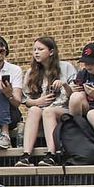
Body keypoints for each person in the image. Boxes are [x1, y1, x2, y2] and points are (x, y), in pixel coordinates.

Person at [19, 35, 69, 163]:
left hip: (62, 110)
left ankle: (52, 154)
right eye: (34, 49)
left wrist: (64, 84)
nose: (36, 52)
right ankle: (26, 155)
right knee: (33, 110)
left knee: (48, 111)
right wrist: (37, 102)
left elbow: (74, 94)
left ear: (51, 52)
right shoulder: (31, 72)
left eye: (40, 49)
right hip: (41, 111)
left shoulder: (66, 67)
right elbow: (25, 100)